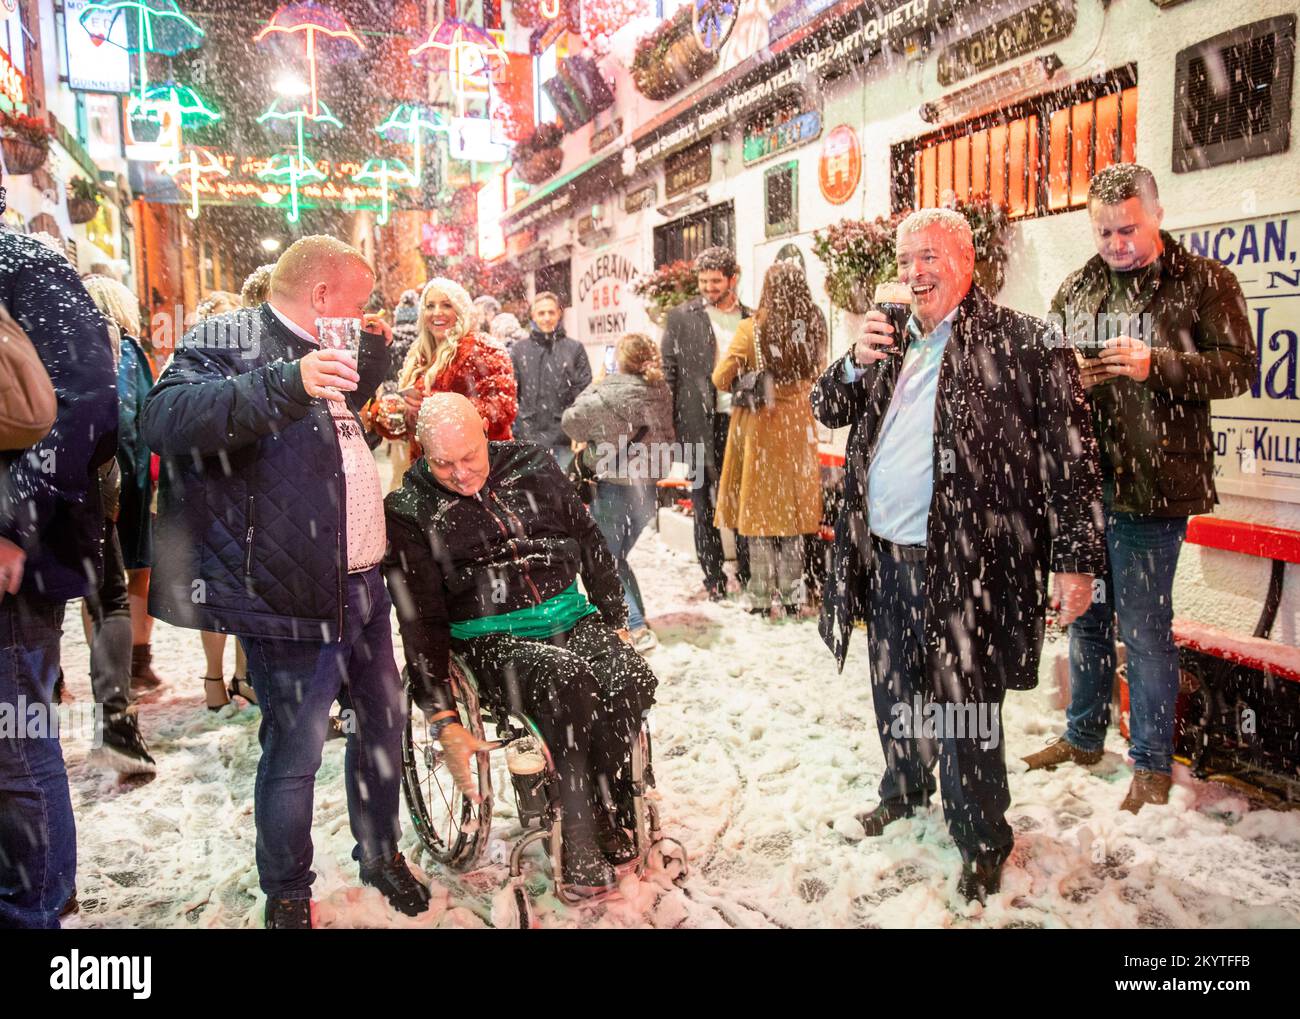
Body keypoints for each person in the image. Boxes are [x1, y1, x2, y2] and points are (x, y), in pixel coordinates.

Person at [811, 208, 1106, 903]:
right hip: (886, 558)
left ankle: (980, 837)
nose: (913, 273)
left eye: (929, 258)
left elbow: (1073, 463)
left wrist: (1076, 559)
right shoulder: (887, 339)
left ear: (967, 260)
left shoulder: (1026, 343)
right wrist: (854, 360)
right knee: (896, 691)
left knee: (964, 706)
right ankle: (905, 788)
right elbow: (827, 406)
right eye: (905, 259)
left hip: (971, 565)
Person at [141, 235, 428, 928]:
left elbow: (329, 437)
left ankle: (381, 851)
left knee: (383, 727)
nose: (364, 319)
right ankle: (289, 890)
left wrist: (375, 387)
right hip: (290, 590)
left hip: (361, 581)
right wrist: (285, 382)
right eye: (358, 304)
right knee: (295, 748)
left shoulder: (335, 345)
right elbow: (162, 418)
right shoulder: (234, 334)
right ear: (322, 294)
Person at [1024, 164, 1257, 812]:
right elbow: (1046, 365)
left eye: (1127, 227)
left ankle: (1152, 765)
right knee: (1087, 618)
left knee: (1147, 629)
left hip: (1156, 489)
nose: (1116, 241)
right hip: (1085, 486)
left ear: (1155, 213)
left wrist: (1161, 365)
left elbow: (1240, 368)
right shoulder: (1077, 285)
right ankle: (1083, 736)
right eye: (1103, 230)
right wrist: (1067, 373)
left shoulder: (1207, 282)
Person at [384, 393, 658, 895]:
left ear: (486, 436)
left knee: (631, 678)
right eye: (445, 464)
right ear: (422, 452)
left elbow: (590, 539)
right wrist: (442, 715)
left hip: (569, 616)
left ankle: (596, 797)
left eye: (471, 457)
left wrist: (616, 622)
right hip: (489, 638)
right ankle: (577, 830)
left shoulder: (531, 463)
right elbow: (419, 619)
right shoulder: (408, 510)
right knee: (565, 680)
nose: (463, 475)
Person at [0, 226, 118, 928]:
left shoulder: (22, 261)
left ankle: (36, 912)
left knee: (12, 745)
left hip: (15, 560)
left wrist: (12, 521)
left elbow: (86, 397)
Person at [711, 261, 826, 617]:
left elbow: (719, 378)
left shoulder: (751, 329)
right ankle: (794, 598)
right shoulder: (813, 324)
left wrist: (751, 374)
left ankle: (761, 599)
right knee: (791, 518)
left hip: (761, 427)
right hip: (797, 428)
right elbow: (818, 370)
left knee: (759, 520)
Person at [78, 275, 159, 774]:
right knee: (111, 592)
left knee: (101, 591)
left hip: (82, 481)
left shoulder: (47, 335)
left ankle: (100, 704)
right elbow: (132, 417)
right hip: (108, 481)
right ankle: (114, 717)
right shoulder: (120, 347)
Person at [562, 332, 675, 653]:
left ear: (619, 360)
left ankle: (635, 626)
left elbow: (571, 424)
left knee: (605, 560)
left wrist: (595, 385)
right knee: (615, 558)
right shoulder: (661, 392)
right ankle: (637, 620)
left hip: (614, 489)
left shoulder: (604, 390)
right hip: (647, 491)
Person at [660, 247, 752, 600]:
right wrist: (669, 426)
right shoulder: (682, 317)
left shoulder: (750, 317)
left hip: (741, 421)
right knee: (703, 502)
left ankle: (744, 570)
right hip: (697, 423)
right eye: (703, 282)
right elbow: (669, 372)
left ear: (733, 278)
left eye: (716, 281)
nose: (709, 288)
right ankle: (712, 577)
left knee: (742, 501)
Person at [372, 278, 517, 486]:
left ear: (461, 309)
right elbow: (417, 426)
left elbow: (500, 410)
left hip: (478, 476)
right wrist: (395, 412)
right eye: (430, 306)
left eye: (446, 305)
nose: (437, 312)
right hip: (432, 478)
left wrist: (435, 407)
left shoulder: (482, 348)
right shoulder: (421, 354)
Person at [189, 295, 254, 711]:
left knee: (247, 590)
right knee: (215, 593)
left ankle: (244, 676)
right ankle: (214, 677)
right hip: (211, 491)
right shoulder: (192, 368)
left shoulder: (251, 366)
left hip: (247, 492)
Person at [510, 291, 591, 472]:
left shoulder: (574, 348)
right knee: (534, 497)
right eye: (541, 313)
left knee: (565, 494)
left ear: (559, 314)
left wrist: (580, 429)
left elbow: (584, 393)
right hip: (529, 437)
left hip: (565, 438)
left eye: (551, 312)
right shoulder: (519, 350)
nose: (546, 318)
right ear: (533, 316)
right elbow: (513, 395)